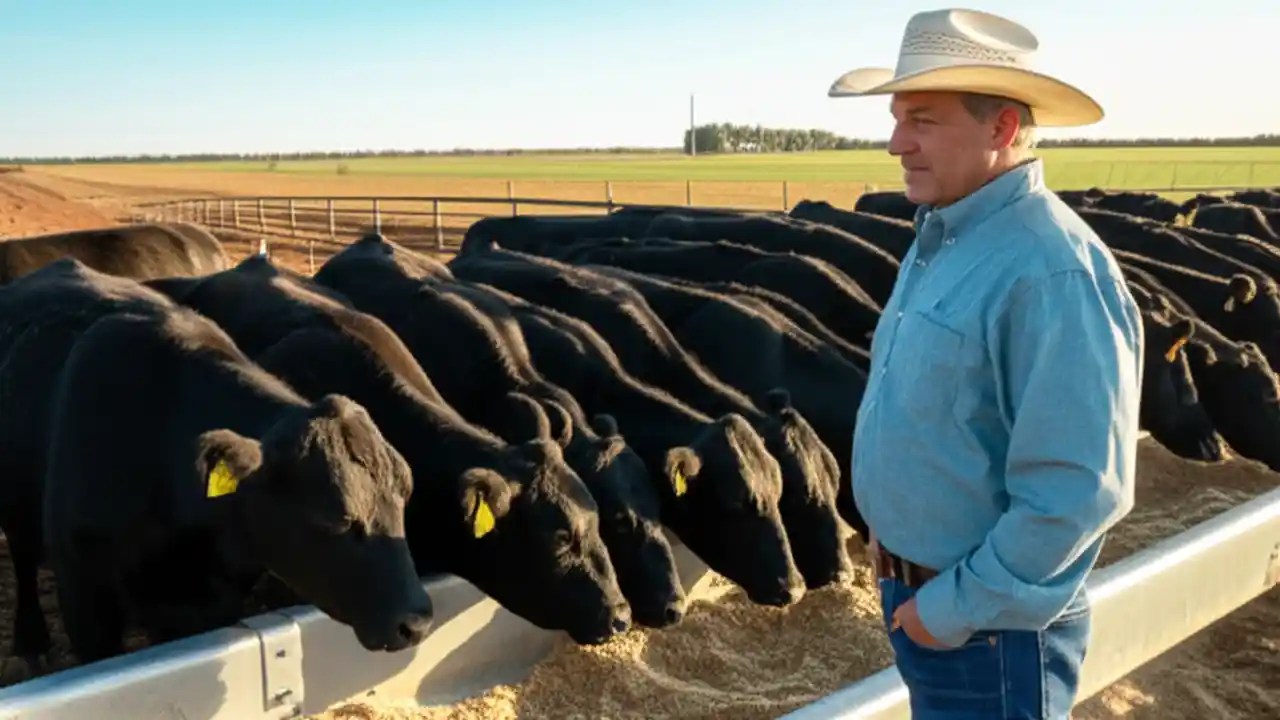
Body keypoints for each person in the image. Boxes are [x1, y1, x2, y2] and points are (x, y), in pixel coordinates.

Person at [829, 8, 1143, 719]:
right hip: (932, 601)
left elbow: (1077, 493)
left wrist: (948, 608)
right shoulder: (948, 235)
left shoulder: (1051, 270)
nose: (894, 143)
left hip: (988, 630)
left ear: (1001, 129)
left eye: (922, 119)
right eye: (897, 117)